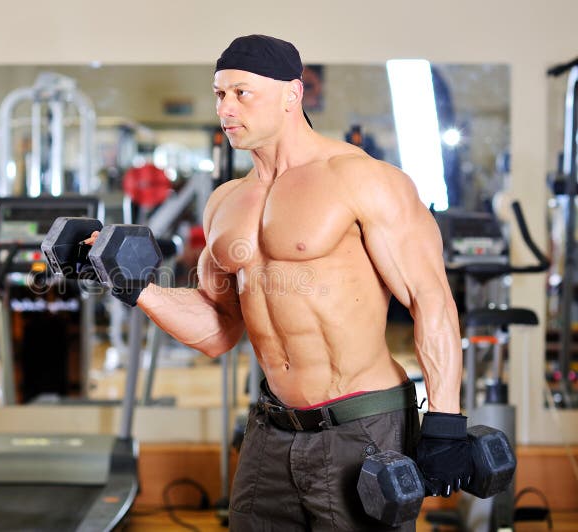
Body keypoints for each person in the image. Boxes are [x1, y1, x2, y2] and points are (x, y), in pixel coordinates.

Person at [90, 35, 469, 530]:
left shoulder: (362, 180)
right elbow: (217, 330)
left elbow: (431, 300)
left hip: (362, 426)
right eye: (219, 94)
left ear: (292, 95)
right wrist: (133, 285)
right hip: (272, 429)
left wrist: (444, 420)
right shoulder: (226, 202)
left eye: (242, 93)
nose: (226, 108)